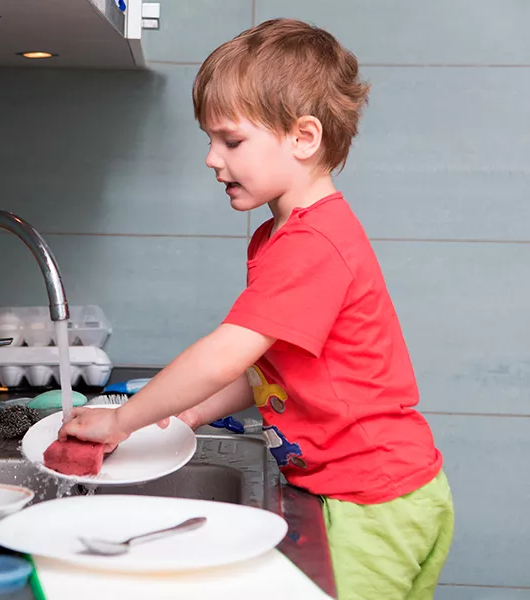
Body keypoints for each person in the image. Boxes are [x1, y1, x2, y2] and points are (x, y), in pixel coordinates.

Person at [58, 18, 454, 600]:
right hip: (389, 490)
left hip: (370, 500)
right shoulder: (282, 236)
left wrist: (123, 419)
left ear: (303, 137)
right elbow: (269, 369)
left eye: (231, 140)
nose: (212, 159)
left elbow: (226, 354)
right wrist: (188, 416)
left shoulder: (312, 244)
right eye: (209, 139)